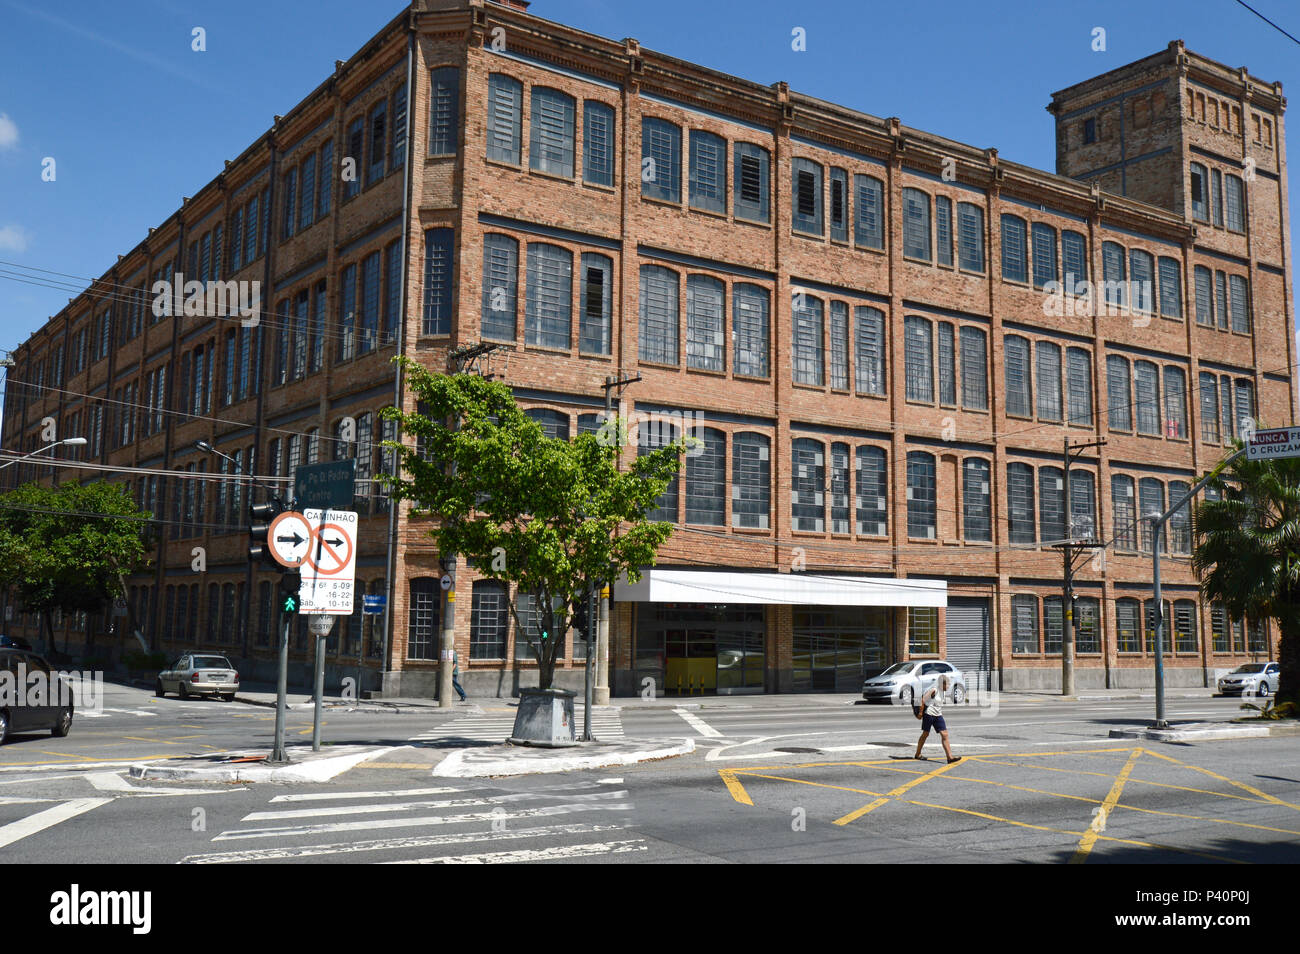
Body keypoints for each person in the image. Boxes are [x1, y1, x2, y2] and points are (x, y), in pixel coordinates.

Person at [914, 675, 960, 763]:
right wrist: (920, 713)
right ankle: (917, 754)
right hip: (929, 714)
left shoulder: (944, 692)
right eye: (947, 684)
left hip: (938, 715)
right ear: (942, 684)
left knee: (945, 734)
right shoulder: (934, 690)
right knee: (925, 734)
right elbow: (923, 700)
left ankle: (950, 757)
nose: (949, 686)